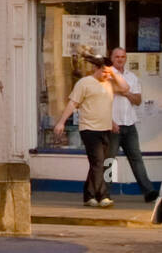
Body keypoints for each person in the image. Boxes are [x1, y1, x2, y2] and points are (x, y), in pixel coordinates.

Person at [53, 53, 131, 206]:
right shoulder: (84, 83)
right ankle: (103, 196)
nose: (106, 75)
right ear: (95, 68)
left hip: (106, 128)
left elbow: (125, 87)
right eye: (103, 71)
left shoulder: (109, 83)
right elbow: (73, 103)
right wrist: (61, 122)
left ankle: (88, 196)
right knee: (98, 162)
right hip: (89, 129)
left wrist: (112, 72)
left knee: (99, 163)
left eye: (108, 72)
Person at [109, 48, 157, 204]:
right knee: (109, 161)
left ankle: (148, 191)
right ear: (111, 58)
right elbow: (104, 99)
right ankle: (103, 193)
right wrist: (110, 121)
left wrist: (126, 93)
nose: (120, 59)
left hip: (129, 124)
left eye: (123, 56)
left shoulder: (132, 77)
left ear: (126, 58)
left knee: (136, 158)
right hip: (113, 124)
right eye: (117, 56)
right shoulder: (107, 75)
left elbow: (137, 100)